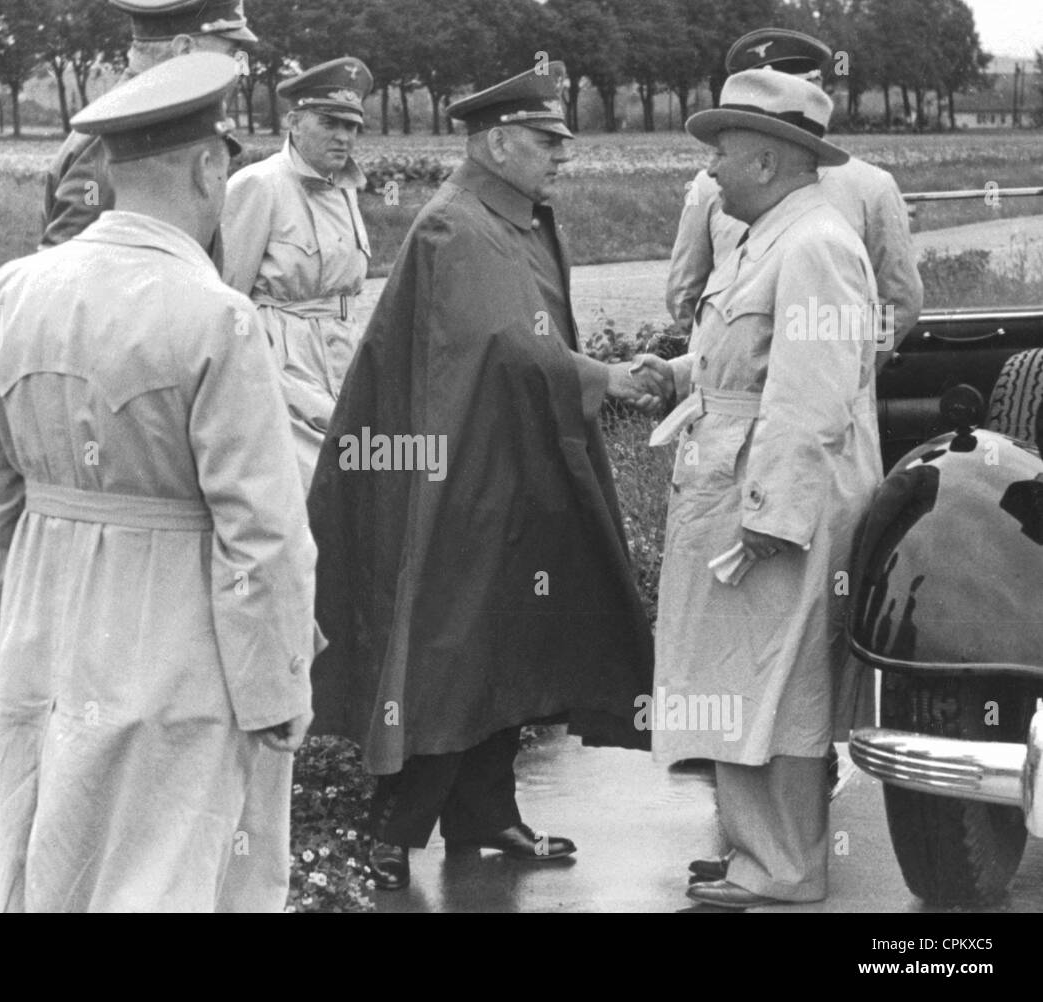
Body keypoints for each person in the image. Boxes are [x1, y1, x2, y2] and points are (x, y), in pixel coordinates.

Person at [0, 52, 319, 912]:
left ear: (111, 171)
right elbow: (261, 531)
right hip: (179, 643)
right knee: (172, 874)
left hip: (49, 628)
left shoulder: (4, 295)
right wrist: (277, 692)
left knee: (54, 863)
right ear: (207, 165)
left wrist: (15, 631)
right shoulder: (216, 315)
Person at [306, 62, 669, 892]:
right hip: (459, 478)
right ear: (498, 141)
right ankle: (391, 830)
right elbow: (503, 344)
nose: (561, 157)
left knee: (504, 638)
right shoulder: (458, 226)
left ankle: (485, 813)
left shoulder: (513, 215)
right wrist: (603, 378)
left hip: (508, 462)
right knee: (451, 647)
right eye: (546, 142)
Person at [650, 69, 884, 909]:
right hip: (739, 480)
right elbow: (749, 354)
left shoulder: (814, 242)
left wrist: (773, 515)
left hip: (774, 496)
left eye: (720, 151)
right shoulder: (771, 236)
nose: (709, 168)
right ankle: (760, 851)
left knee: (778, 681)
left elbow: (813, 394)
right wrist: (677, 373)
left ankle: (786, 865)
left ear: (766, 158)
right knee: (740, 674)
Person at [666, 27, 922, 365]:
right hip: (730, 393)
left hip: (817, 386)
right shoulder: (711, 186)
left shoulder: (874, 187)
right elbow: (686, 294)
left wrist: (854, 367)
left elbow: (898, 298)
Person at [221, 57, 373, 487]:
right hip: (282, 363)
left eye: (352, 126)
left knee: (372, 474)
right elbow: (228, 296)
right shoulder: (259, 186)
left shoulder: (346, 189)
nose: (343, 137)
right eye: (329, 123)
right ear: (294, 121)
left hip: (344, 354)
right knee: (310, 488)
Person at [39, 0, 256, 250]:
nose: (239, 68)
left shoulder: (153, 119)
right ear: (185, 50)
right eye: (231, 53)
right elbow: (67, 256)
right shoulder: (115, 135)